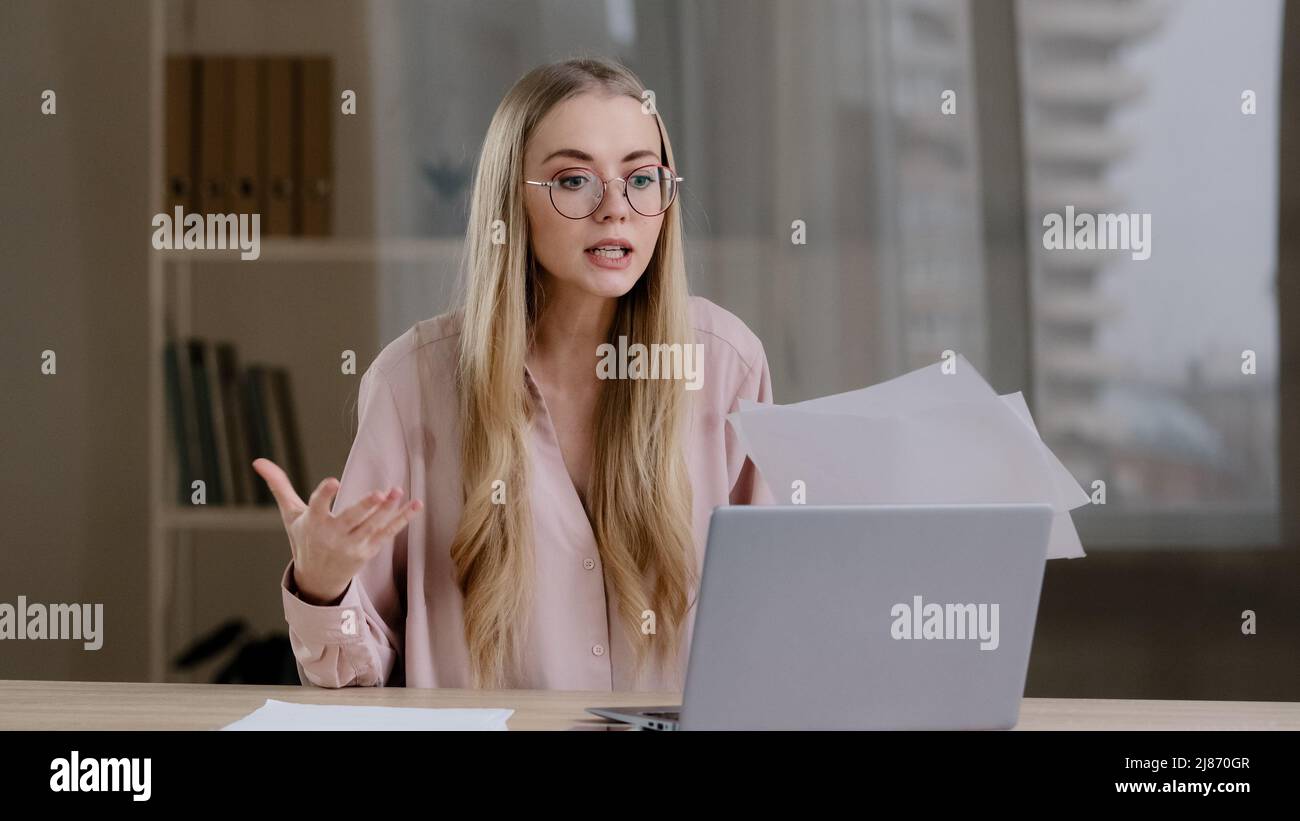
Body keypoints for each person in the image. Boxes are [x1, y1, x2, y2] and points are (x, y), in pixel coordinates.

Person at [253, 56, 773, 692]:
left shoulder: (725, 366)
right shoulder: (411, 383)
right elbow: (354, 678)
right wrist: (321, 584)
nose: (617, 208)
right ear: (511, 201)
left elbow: (771, 629)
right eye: (575, 179)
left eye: (642, 177)